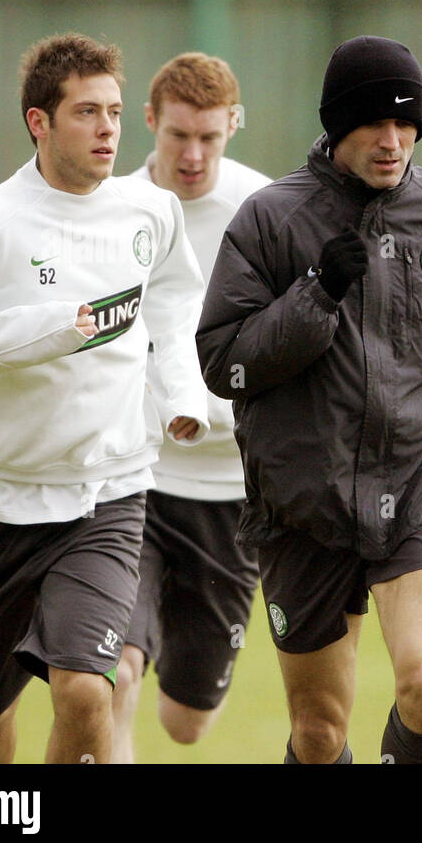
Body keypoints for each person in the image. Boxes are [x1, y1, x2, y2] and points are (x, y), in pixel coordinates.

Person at [196, 35, 422, 764]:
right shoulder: (269, 219)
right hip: (304, 502)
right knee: (318, 733)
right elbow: (223, 361)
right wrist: (317, 294)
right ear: (339, 125)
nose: (394, 140)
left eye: (407, 125)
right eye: (376, 123)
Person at [0, 33, 209, 764]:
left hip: (107, 494)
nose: (108, 130)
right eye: (86, 113)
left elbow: (172, 302)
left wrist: (180, 394)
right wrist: (47, 332)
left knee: (85, 689)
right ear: (39, 122)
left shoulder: (150, 212)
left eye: (116, 112)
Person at [110, 52, 272, 762]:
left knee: (184, 721)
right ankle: (131, 640)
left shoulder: (268, 210)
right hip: (127, 477)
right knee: (110, 672)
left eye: (210, 136)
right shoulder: (109, 209)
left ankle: (171, 642)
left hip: (228, 494)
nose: (193, 154)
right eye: (178, 135)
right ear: (150, 121)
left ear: (234, 124)